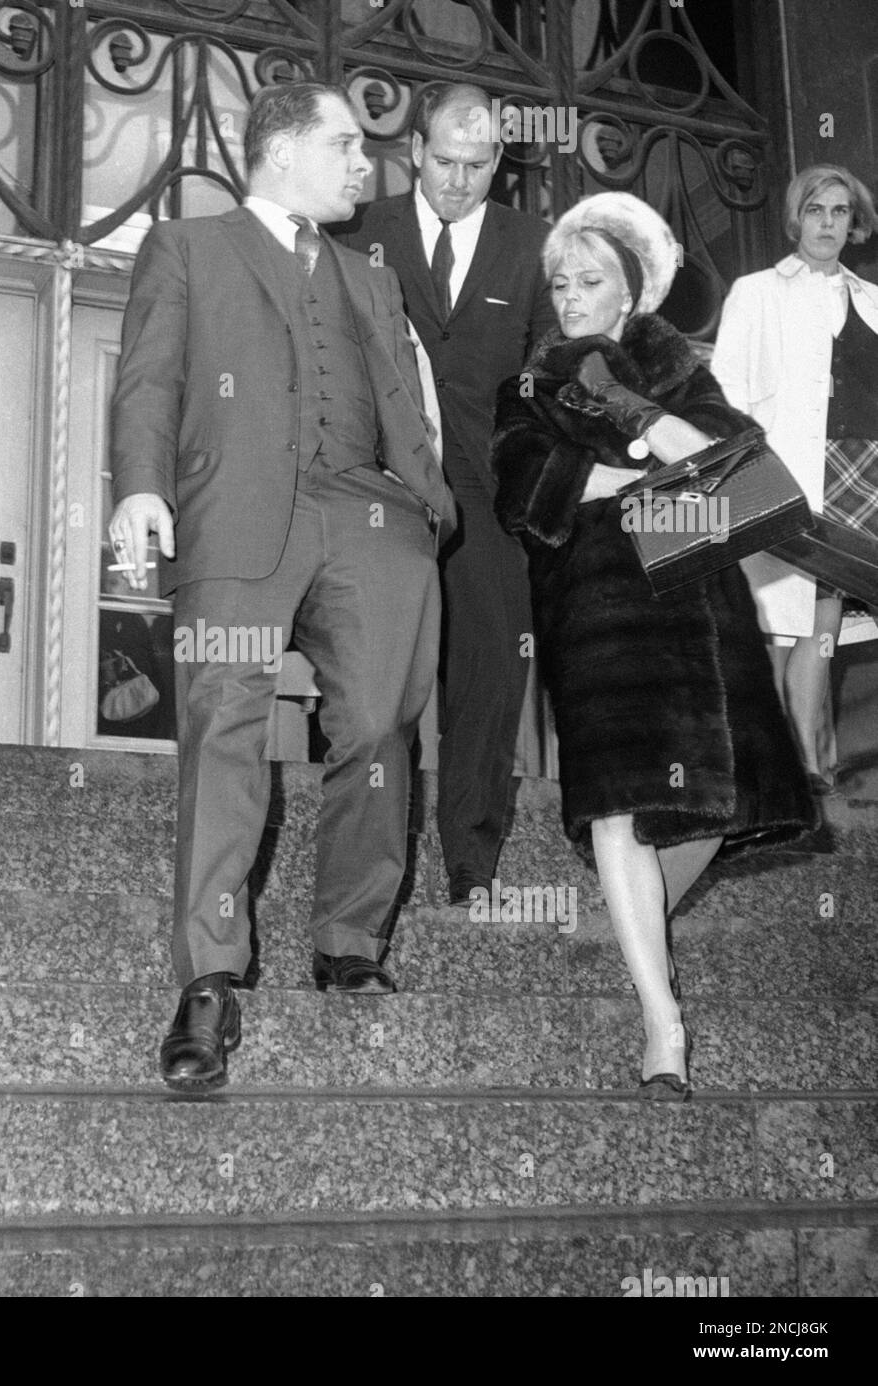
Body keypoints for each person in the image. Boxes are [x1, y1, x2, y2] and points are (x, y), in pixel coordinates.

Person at [108, 82, 455, 1092]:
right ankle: (209, 978)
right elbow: (150, 378)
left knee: (381, 727)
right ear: (283, 149)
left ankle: (349, 943)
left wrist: (427, 506)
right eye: (345, 144)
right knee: (225, 721)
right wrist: (140, 488)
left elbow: (402, 397)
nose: (364, 165)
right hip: (235, 516)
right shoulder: (186, 248)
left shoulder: (369, 275)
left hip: (369, 518)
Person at [491, 192, 815, 1099]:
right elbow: (526, 489)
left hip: (702, 615)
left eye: (590, 280)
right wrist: (637, 469)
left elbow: (734, 468)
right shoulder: (528, 386)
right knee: (618, 808)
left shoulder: (676, 370)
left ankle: (637, 938)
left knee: (724, 803)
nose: (570, 295)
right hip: (600, 612)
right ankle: (661, 1021)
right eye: (560, 282)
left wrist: (627, 408)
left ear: (631, 293)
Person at [336, 82, 558, 904]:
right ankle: (368, 857)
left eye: (478, 164)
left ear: (498, 161)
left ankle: (471, 861)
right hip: (381, 486)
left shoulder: (536, 247)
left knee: (489, 674)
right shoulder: (358, 231)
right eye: (445, 162)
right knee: (378, 678)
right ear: (414, 151)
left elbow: (550, 379)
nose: (459, 180)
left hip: (490, 496)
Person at [711, 164, 878, 794]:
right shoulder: (757, 291)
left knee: (824, 621)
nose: (827, 223)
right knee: (780, 621)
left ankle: (806, 759)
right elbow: (724, 393)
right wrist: (742, 476)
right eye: (815, 210)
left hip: (860, 472)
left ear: (854, 223)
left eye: (840, 211)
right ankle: (780, 763)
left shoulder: (873, 300)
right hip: (786, 470)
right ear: (795, 218)